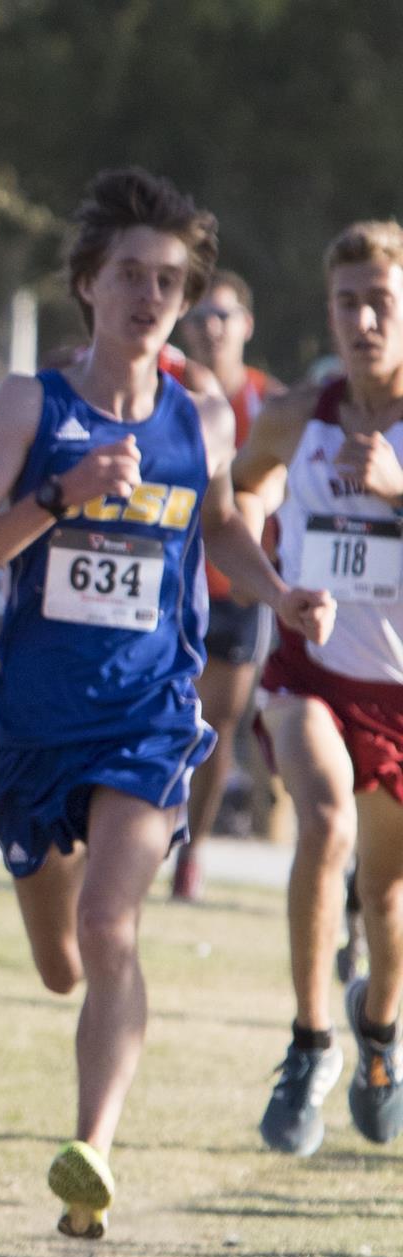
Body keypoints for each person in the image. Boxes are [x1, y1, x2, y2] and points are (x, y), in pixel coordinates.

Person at [0, 169, 332, 1238]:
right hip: (32, 720)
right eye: (128, 274)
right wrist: (59, 495)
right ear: (86, 284)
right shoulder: (30, 405)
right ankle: (71, 977)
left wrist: (278, 591)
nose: (148, 295)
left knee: (110, 924)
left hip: (147, 713)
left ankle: (91, 1156)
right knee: (61, 957)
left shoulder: (199, 412)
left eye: (167, 279)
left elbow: (217, 525)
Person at [237, 220, 403, 1156]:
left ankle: (378, 1031)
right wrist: (277, 586)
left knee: (387, 900)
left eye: (382, 302)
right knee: (326, 819)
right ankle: (309, 1043)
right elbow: (238, 496)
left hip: (400, 696)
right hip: (313, 674)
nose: (364, 320)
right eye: (348, 303)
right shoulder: (296, 415)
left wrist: (397, 492)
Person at [172, 270, 287, 898]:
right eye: (200, 317)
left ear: (247, 325)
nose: (210, 328)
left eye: (223, 316)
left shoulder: (273, 404)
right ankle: (143, 832)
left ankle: (193, 849)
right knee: (163, 718)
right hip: (169, 585)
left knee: (216, 725)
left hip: (237, 589)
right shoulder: (171, 390)